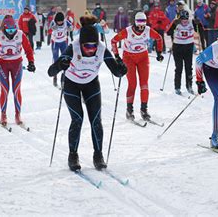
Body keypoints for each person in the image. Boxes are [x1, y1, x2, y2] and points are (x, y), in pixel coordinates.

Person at [47, 15, 127, 171]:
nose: (90, 49)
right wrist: (60, 65)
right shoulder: (73, 48)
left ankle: (98, 155)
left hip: (91, 84)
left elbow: (116, 72)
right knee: (78, 118)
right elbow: (51, 71)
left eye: (93, 46)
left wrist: (122, 69)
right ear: (80, 44)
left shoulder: (102, 49)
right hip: (71, 84)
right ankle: (73, 156)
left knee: (96, 120)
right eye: (87, 46)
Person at [111, 12, 164, 121]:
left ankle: (144, 109)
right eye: (139, 21)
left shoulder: (148, 30)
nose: (141, 24)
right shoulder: (128, 31)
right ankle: (129, 110)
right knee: (132, 84)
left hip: (143, 58)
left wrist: (159, 53)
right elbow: (114, 41)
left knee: (144, 84)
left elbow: (159, 38)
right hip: (128, 58)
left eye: (144, 22)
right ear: (135, 21)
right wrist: (117, 57)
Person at [0, 15, 35, 126]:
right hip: (2, 64)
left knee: (16, 89)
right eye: (9, 30)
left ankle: (17, 114)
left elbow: (28, 50)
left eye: (13, 29)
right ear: (4, 28)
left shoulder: (20, 35)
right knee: (4, 90)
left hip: (16, 64)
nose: (11, 32)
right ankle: (3, 115)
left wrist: (31, 62)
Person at [166, 10, 195, 95]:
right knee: (179, 68)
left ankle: (189, 86)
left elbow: (201, 28)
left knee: (189, 68)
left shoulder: (191, 23)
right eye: (182, 18)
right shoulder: (177, 23)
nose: (184, 20)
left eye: (186, 18)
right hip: (178, 47)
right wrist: (173, 23)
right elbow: (168, 32)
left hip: (189, 46)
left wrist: (198, 22)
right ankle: (177, 87)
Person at [49, 12, 73, 87]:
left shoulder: (66, 22)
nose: (60, 22)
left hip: (63, 42)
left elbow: (72, 27)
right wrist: (52, 28)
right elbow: (48, 29)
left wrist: (70, 28)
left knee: (65, 58)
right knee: (56, 59)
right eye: (58, 21)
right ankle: (55, 76)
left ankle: (65, 77)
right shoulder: (53, 22)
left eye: (61, 21)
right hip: (55, 42)